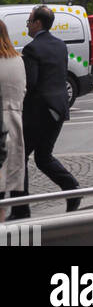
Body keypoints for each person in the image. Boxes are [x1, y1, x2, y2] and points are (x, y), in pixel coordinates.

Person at [9, 5, 80, 219]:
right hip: (58, 109)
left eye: (29, 21)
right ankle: (72, 189)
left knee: (19, 158)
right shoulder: (60, 46)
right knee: (43, 157)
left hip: (39, 112)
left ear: (38, 23)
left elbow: (30, 83)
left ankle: (22, 210)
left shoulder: (32, 49)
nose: (28, 25)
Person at [0, 19, 26, 222]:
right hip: (15, 118)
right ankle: (20, 213)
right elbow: (23, 90)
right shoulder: (18, 59)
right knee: (13, 172)